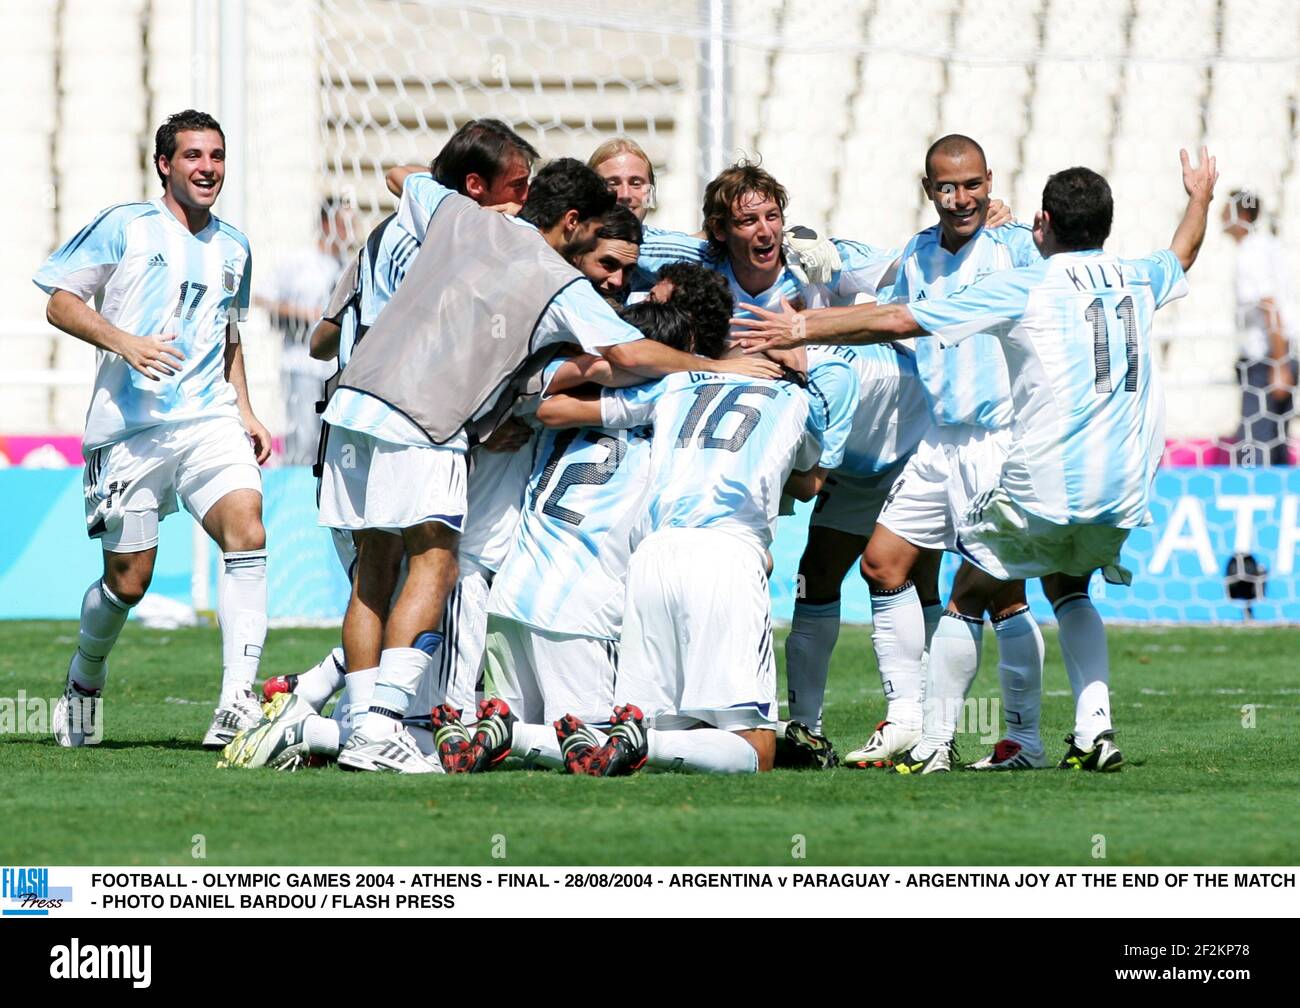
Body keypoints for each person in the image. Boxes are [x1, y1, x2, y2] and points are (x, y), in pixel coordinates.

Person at [735, 148, 1219, 774]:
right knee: (885, 564)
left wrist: (802, 327)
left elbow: (893, 321)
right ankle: (916, 723)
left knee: (992, 594)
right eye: (947, 187)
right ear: (929, 189)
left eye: (972, 186)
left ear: (1008, 197)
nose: (961, 198)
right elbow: (1179, 254)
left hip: (1008, 439)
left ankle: (991, 739)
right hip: (944, 438)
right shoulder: (921, 253)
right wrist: (1200, 195)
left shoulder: (1020, 256)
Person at [319, 158, 781, 774]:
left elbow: (403, 174)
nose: (617, 279)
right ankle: (355, 729)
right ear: (573, 224)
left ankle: (339, 719)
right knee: (437, 580)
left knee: (379, 575)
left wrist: (498, 211)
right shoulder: (561, 297)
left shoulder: (465, 219)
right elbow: (615, 359)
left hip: (357, 408)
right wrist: (716, 367)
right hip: (479, 521)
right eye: (604, 257)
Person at [35, 109, 272, 749]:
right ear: (165, 164)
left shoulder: (236, 246)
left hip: (207, 419)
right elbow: (59, 298)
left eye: (217, 156)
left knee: (247, 528)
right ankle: (84, 680)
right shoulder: (126, 227)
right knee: (129, 581)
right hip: (130, 430)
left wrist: (244, 409)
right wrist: (126, 342)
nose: (208, 168)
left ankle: (236, 703)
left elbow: (226, 332)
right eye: (194, 156)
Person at [535, 338, 842, 776]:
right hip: (726, 553)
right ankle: (644, 743)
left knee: (667, 725)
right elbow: (809, 483)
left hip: (651, 557)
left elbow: (555, 409)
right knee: (756, 750)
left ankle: (516, 735)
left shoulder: (674, 385)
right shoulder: (797, 398)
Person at [259, 199, 353, 464]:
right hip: (301, 363)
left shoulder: (348, 264)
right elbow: (263, 297)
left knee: (328, 440)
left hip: (335, 369)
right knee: (302, 437)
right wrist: (306, 315)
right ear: (327, 224)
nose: (350, 230)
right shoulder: (300, 262)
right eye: (344, 223)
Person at [1223, 189, 1296, 466]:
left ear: (1240, 215)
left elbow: (1270, 306)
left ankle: (1259, 505)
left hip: (1266, 360)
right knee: (1276, 445)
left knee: (1255, 449)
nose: (1221, 217)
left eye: (1226, 211)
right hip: (1280, 354)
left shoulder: (1250, 253)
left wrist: (1279, 364)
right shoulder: (1270, 246)